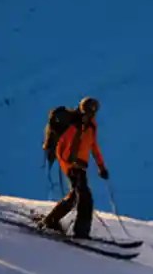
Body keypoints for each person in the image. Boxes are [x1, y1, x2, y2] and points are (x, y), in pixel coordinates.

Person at [39, 97, 109, 238]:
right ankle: (81, 232)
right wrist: (68, 164)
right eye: (89, 110)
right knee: (85, 197)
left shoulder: (91, 126)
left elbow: (93, 146)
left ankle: (50, 221)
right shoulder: (73, 125)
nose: (91, 113)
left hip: (80, 166)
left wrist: (101, 166)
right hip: (72, 166)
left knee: (75, 197)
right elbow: (61, 147)